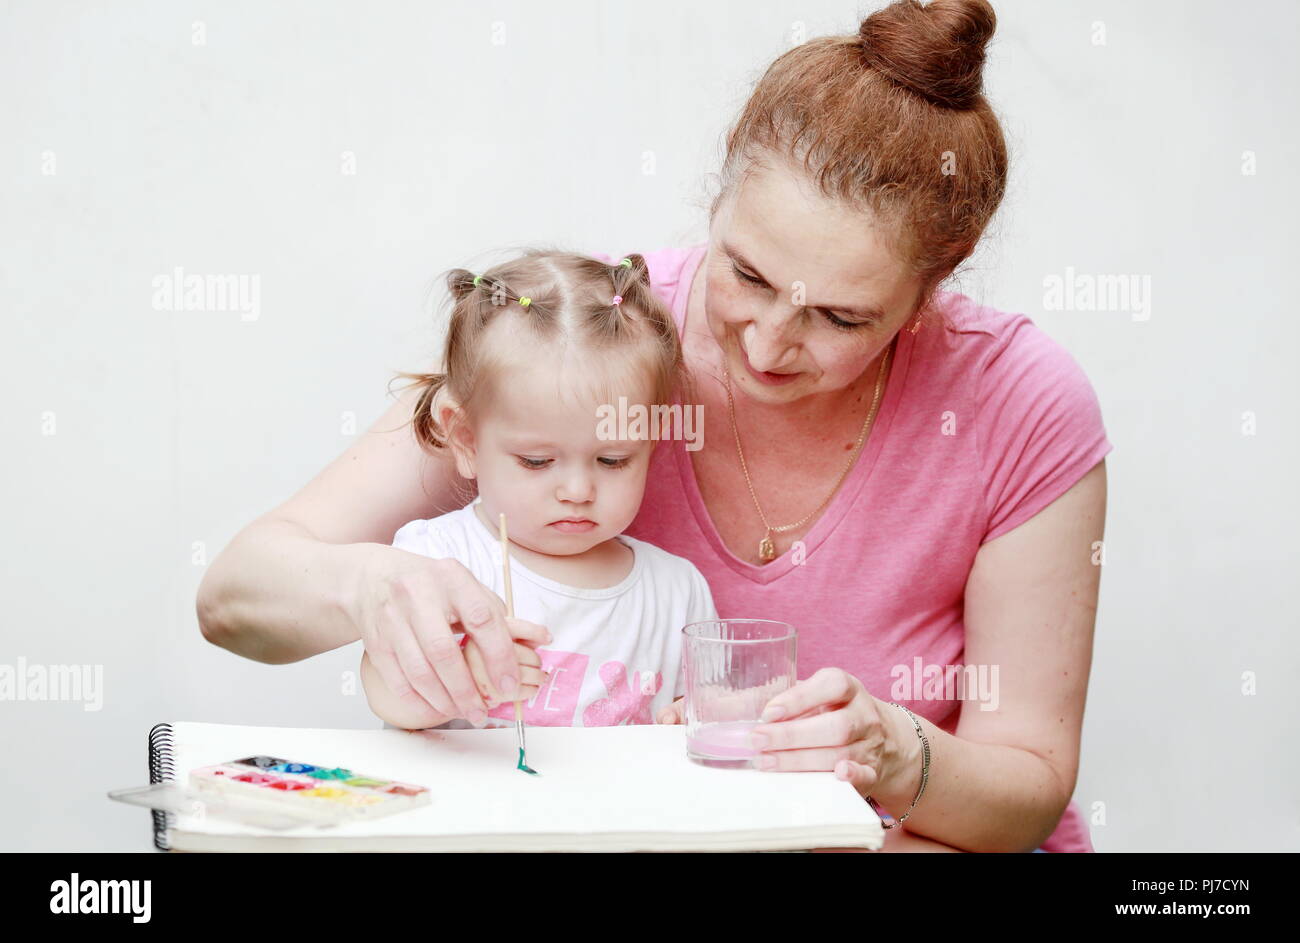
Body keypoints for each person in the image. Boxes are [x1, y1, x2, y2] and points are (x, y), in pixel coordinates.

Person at [197, 0, 1110, 852]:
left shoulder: (1018, 403)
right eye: (746, 273)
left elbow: (1029, 788)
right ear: (718, 193)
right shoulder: (591, 343)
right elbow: (235, 597)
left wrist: (899, 753)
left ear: (930, 293)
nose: (766, 344)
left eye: (840, 318)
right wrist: (368, 589)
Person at [359, 252, 718, 730]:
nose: (576, 490)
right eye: (537, 461)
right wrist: (458, 681)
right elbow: (384, 692)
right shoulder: (435, 561)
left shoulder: (677, 590)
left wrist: (689, 720)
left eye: (613, 460)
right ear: (465, 438)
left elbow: (709, 717)